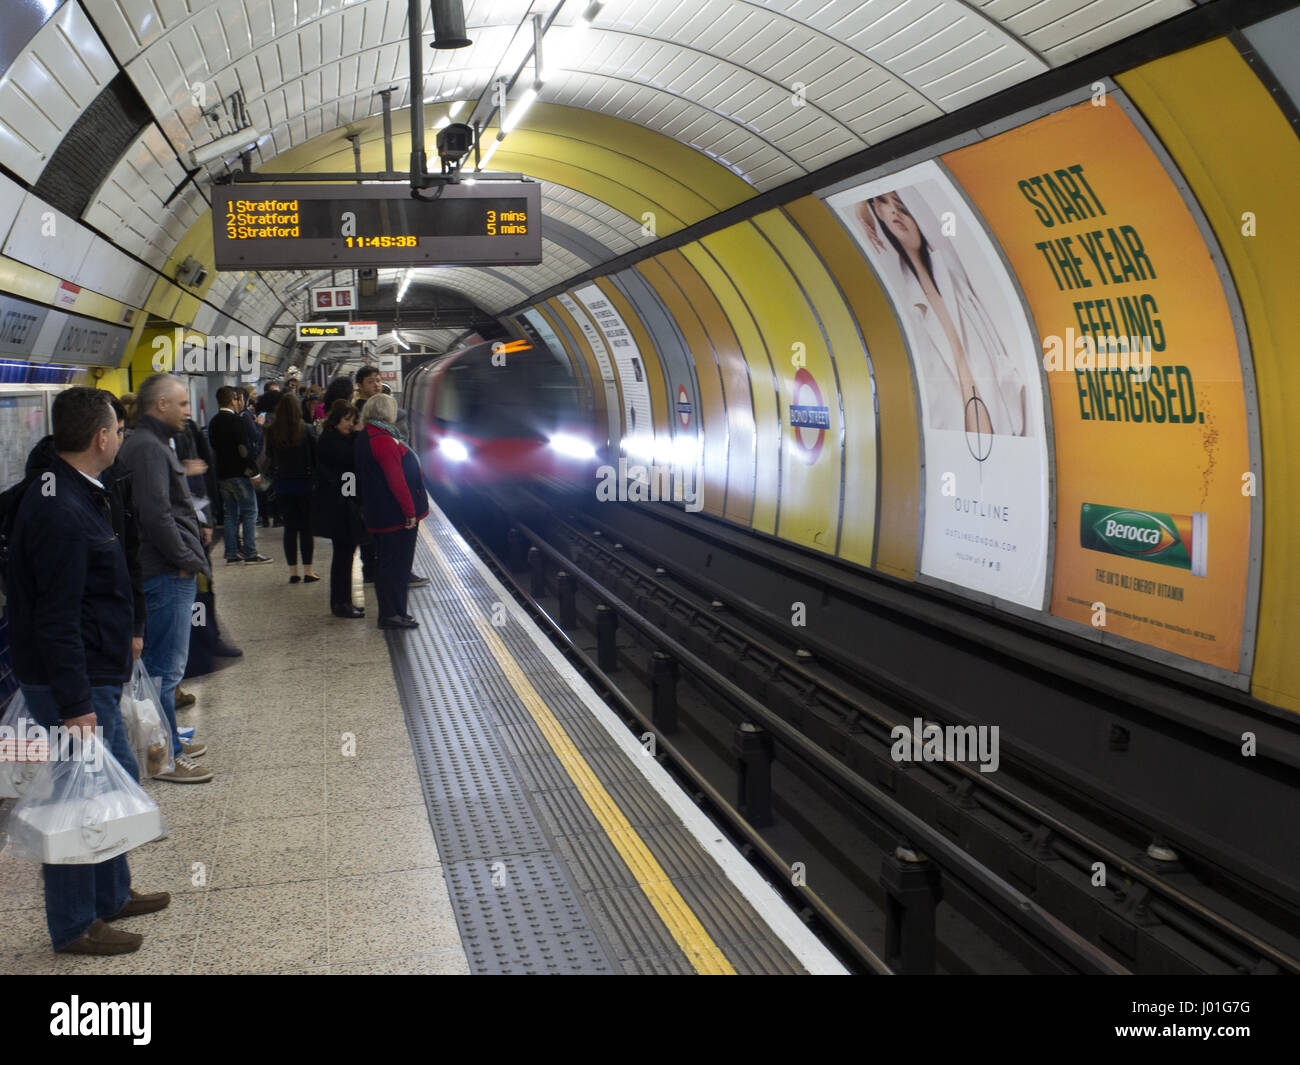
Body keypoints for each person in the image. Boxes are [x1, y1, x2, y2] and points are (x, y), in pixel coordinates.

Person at [7, 388, 170, 954]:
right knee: (75, 800)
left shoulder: (79, 492)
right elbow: (56, 619)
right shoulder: (59, 510)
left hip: (92, 674)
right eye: (117, 432)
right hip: (71, 685)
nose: (120, 439)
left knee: (105, 786)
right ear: (102, 437)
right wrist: (75, 705)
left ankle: (112, 895)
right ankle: (76, 924)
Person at [855, 190, 1029, 436]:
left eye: (902, 207)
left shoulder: (950, 274)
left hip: (990, 407)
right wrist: (863, 207)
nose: (896, 212)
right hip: (954, 422)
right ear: (878, 218)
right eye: (885, 204)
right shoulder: (905, 300)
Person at [116, 373, 213, 783]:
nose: (188, 412)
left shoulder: (147, 444)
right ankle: (166, 757)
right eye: (182, 404)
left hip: (164, 570)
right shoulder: (150, 449)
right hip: (166, 572)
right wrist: (185, 558)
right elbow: (156, 514)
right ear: (160, 406)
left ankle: (168, 740)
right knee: (165, 670)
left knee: (164, 667)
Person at [354, 393, 428, 630]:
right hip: (394, 516)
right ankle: (391, 615)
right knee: (396, 566)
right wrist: (409, 512)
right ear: (386, 412)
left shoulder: (369, 435)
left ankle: (397, 612)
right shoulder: (382, 440)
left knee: (391, 565)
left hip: (381, 512)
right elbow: (396, 480)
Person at [313, 400, 367, 618]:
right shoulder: (331, 441)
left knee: (346, 554)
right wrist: (358, 435)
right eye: (347, 420)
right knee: (343, 556)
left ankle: (344, 601)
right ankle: (340, 604)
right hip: (339, 506)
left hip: (343, 504)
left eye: (353, 420)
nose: (350, 424)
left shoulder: (338, 438)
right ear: (335, 420)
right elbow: (350, 461)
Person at [209, 385, 271, 565]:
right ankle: (251, 553)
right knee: (250, 511)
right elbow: (244, 450)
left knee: (230, 514)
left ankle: (231, 553)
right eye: (237, 399)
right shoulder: (236, 421)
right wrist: (254, 473)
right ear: (232, 401)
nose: (239, 402)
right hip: (240, 474)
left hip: (222, 474)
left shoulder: (213, 422)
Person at [262, 393, 317, 584]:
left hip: (283, 485)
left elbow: (268, 458)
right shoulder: (307, 429)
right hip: (305, 483)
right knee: (306, 528)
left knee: (290, 528)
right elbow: (316, 457)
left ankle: (293, 572)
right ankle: (308, 571)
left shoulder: (272, 431)